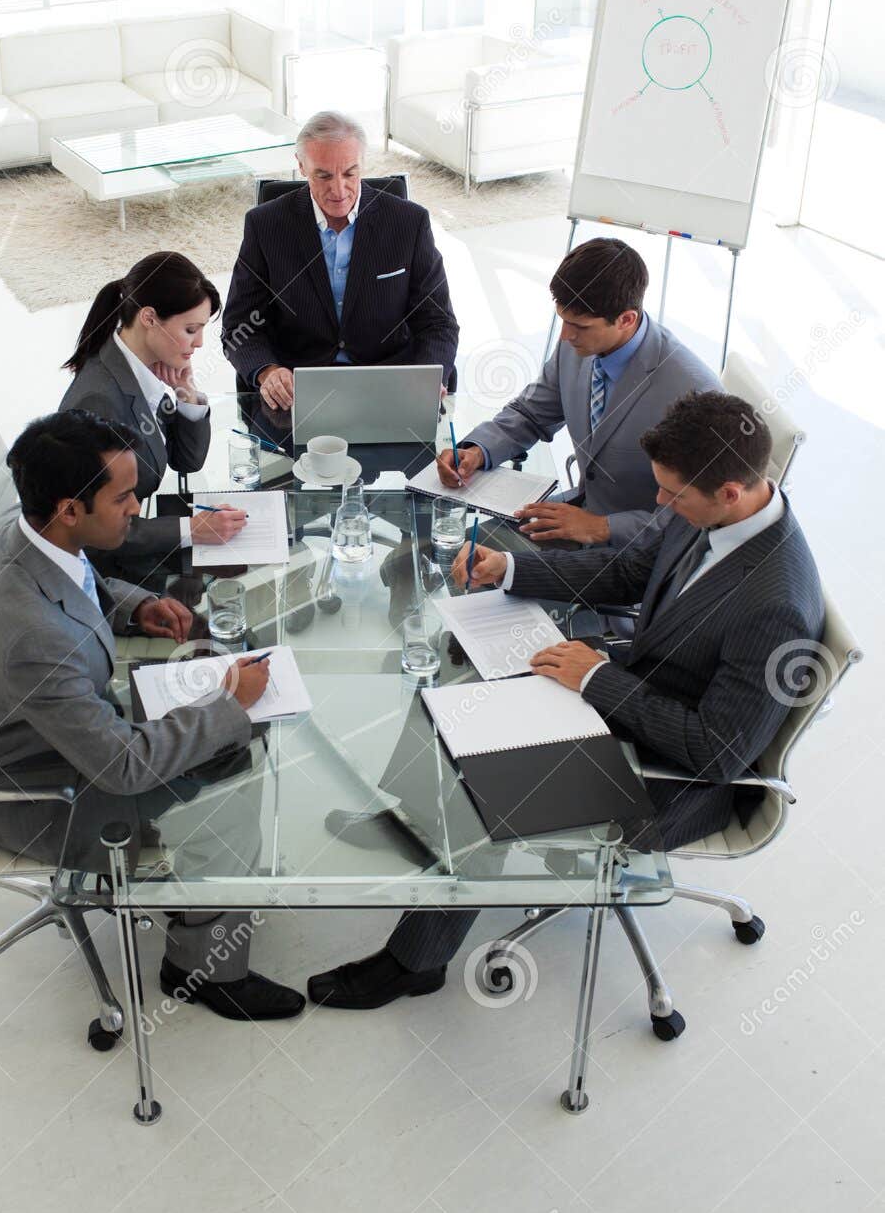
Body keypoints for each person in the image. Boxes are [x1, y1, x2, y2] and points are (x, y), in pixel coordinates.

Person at [308, 391, 824, 1010]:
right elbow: (629, 572)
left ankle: (413, 963)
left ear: (731, 492)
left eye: (672, 494)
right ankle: (418, 824)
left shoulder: (777, 605)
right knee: (457, 685)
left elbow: (716, 754)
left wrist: (597, 679)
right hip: (638, 696)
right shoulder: (710, 512)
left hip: (674, 778)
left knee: (492, 784)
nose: (659, 503)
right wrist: (511, 571)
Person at [0, 409, 304, 1021]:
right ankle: (202, 969)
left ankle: (211, 890)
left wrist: (135, 604)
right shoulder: (32, 636)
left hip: (40, 733)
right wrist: (229, 705)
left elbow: (75, 581)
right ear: (69, 509)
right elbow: (123, 765)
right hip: (37, 790)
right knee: (235, 773)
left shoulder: (19, 526)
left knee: (222, 734)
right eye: (124, 498)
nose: (139, 507)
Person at [438, 237, 718, 547]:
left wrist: (603, 527)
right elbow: (531, 414)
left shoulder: (694, 390)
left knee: (478, 569)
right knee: (433, 556)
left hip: (636, 550)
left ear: (627, 319)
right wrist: (479, 451)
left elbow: (696, 518)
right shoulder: (578, 345)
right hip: (577, 516)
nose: (566, 336)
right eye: (563, 320)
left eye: (580, 326)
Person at [221, 110, 459, 409]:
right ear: (301, 165)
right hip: (298, 390)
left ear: (363, 165)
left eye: (349, 173)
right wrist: (268, 371)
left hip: (389, 384)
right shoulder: (265, 225)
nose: (338, 189)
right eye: (323, 175)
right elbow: (239, 325)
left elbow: (438, 322)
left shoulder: (410, 223)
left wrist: (425, 376)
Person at [61, 252, 246, 584]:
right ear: (149, 318)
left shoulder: (138, 368)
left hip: (139, 533)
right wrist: (192, 529)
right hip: (110, 574)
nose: (200, 342)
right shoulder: (101, 401)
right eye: (191, 329)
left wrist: (187, 395)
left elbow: (185, 460)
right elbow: (96, 533)